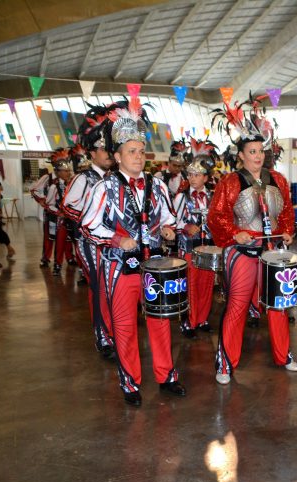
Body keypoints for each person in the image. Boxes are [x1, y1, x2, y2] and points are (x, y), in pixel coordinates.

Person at [81, 98, 186, 406]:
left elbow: (169, 219)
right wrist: (116, 239)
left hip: (154, 265)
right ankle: (130, 383)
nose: (138, 157)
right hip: (120, 268)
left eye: (141, 151)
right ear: (117, 155)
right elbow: (88, 226)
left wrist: (169, 230)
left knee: (161, 321)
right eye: (131, 151)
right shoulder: (104, 187)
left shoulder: (158, 185)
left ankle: (167, 376)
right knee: (124, 327)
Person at [207, 96, 297, 384]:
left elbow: (286, 212)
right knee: (237, 305)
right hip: (242, 253)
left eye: (261, 151)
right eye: (252, 151)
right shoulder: (230, 182)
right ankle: (225, 363)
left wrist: (287, 231)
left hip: (272, 253)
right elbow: (216, 217)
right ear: (242, 155)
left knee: (277, 306)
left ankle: (284, 355)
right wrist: (236, 233)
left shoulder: (278, 180)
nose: (258, 156)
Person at [61, 104, 115, 358]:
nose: (108, 154)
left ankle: (113, 331)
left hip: (113, 243)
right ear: (92, 153)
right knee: (100, 286)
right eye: (103, 149)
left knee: (113, 287)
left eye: (109, 149)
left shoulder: (115, 179)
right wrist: (90, 221)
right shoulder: (83, 179)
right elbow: (68, 206)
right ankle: (102, 337)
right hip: (89, 244)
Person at [173, 138, 218, 339]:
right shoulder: (182, 196)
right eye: (190, 174)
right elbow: (172, 220)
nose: (192, 178)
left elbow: (218, 220)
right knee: (189, 285)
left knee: (206, 283)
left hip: (207, 247)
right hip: (188, 249)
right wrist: (185, 226)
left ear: (206, 178)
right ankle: (188, 321)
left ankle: (202, 318)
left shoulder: (212, 197)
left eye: (197, 175)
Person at [45, 149, 75, 276]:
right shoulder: (54, 186)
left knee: (75, 241)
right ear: (58, 172)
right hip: (61, 219)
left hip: (73, 218)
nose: (68, 173)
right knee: (60, 242)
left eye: (69, 171)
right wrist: (59, 213)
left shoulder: (74, 184)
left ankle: (77, 263)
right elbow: (49, 204)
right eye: (65, 171)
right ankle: (57, 265)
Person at [30, 169, 55, 267]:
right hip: (50, 212)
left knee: (67, 237)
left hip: (65, 213)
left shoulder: (70, 176)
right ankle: (45, 258)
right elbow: (34, 190)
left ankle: (69, 257)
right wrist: (42, 201)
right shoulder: (47, 178)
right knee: (48, 235)